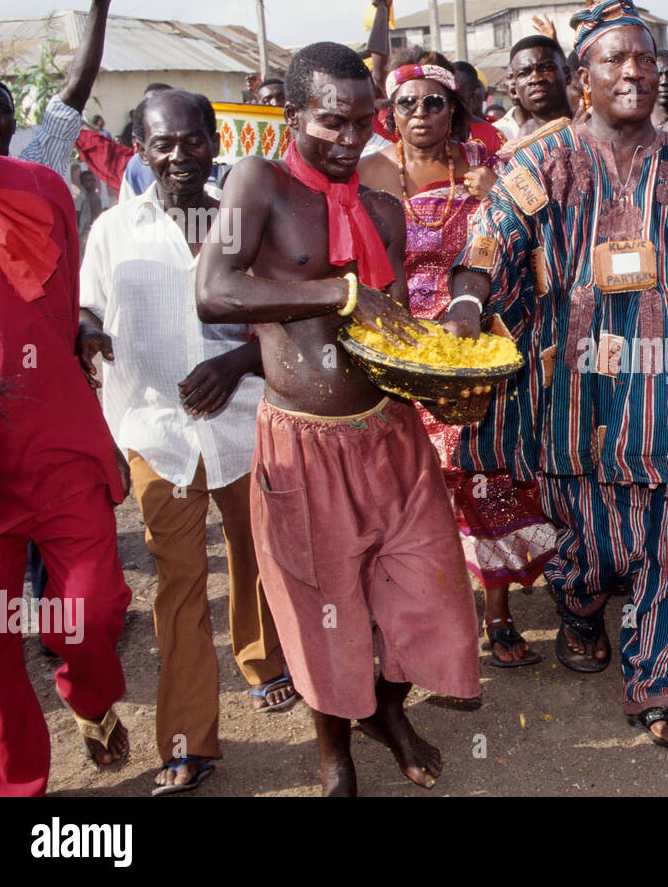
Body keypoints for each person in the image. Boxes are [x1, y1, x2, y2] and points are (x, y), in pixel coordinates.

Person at [443, 0, 668, 747]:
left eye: (647, 59)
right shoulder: (540, 162)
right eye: (614, 59)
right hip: (575, 395)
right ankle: (579, 606)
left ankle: (658, 688)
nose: (635, 71)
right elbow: (486, 247)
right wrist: (468, 303)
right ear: (581, 78)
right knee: (583, 547)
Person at [195, 41, 480, 795]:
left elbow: (382, 332)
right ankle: (335, 756)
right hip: (302, 442)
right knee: (328, 611)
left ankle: (387, 713)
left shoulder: (383, 210)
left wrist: (447, 367)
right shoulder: (256, 184)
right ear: (294, 117)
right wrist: (333, 293)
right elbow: (213, 292)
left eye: (364, 121)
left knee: (428, 600)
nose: (352, 138)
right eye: (332, 123)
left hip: (390, 436)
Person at [78, 89, 296, 796]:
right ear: (139, 148)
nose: (178, 156)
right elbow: (86, 300)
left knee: (254, 553)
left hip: (243, 419)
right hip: (154, 430)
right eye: (162, 144)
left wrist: (235, 364)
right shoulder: (114, 229)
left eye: (192, 141)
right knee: (179, 583)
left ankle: (262, 659)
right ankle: (188, 739)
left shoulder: (245, 224)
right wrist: (86, 332)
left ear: (214, 140)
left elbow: (289, 318)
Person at [357, 51, 557, 668]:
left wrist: (494, 195)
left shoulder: (483, 164)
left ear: (455, 109)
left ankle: (497, 619)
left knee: (484, 475)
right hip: (397, 345)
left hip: (471, 340)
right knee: (412, 488)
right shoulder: (368, 172)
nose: (421, 114)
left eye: (435, 102)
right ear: (390, 114)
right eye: (408, 104)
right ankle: (428, 620)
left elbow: (525, 234)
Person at [0, 130, 133, 795]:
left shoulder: (39, 186)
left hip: (58, 437)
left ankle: (91, 696)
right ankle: (18, 787)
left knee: (93, 610)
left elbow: (61, 316)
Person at [0, 0, 113, 177]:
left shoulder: (32, 171)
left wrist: (100, 2)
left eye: (1, 110)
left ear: (13, 126)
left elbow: (75, 92)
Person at [508, 35, 572, 139]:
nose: (535, 78)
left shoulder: (591, 125)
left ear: (567, 75)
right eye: (523, 73)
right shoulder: (517, 145)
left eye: (546, 68)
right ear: (515, 89)